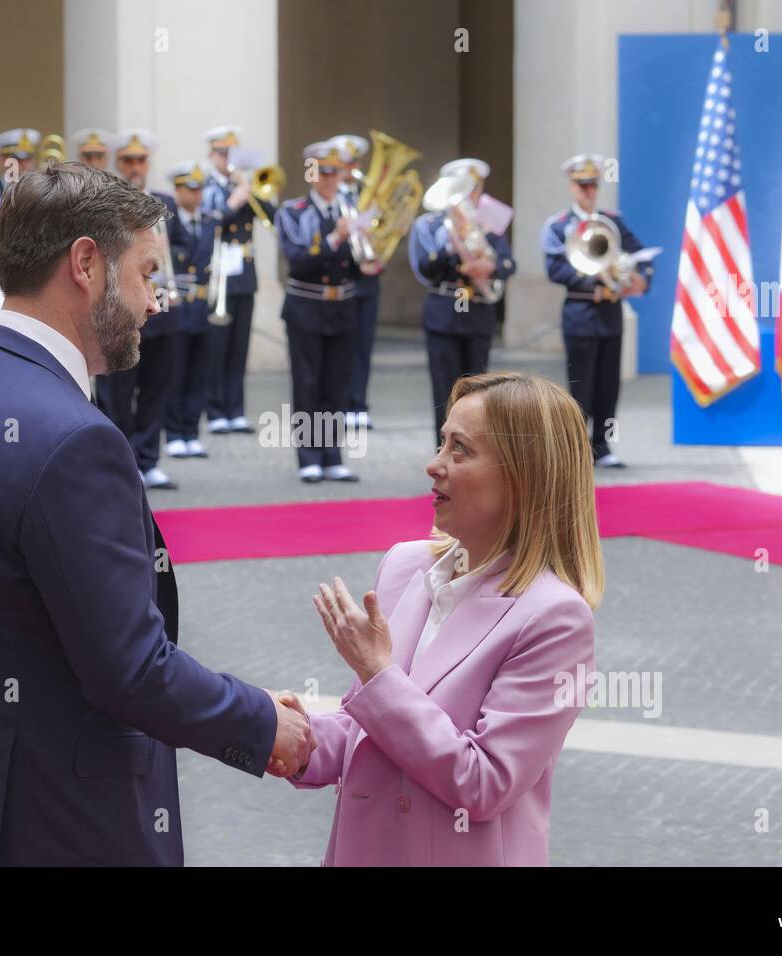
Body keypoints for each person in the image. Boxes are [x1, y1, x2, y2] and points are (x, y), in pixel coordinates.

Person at [0, 162, 314, 865]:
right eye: (148, 273)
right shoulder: (77, 440)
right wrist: (261, 723)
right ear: (87, 264)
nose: (157, 302)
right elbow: (128, 669)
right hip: (47, 829)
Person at [287, 371, 601, 866]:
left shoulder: (556, 618)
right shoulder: (404, 565)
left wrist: (377, 675)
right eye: (441, 443)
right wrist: (290, 736)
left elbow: (484, 782)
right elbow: (363, 730)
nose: (434, 465)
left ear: (523, 476)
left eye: (460, 450)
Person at [541, 153, 653, 468]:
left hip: (610, 313)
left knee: (609, 384)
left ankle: (602, 446)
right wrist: (595, 273)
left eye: (593, 185)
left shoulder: (611, 221)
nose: (589, 191)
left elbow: (641, 253)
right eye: (582, 185)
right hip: (580, 311)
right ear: (572, 187)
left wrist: (639, 279)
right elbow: (555, 270)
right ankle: (575, 449)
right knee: (580, 385)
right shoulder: (560, 225)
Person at [408, 158, 517, 447]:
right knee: (444, 389)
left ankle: (473, 449)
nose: (471, 195)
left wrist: (490, 268)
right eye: (464, 189)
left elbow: (509, 263)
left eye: (475, 188)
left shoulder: (489, 226)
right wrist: (451, 243)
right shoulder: (430, 225)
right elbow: (424, 269)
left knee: (479, 389)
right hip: (445, 310)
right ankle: (443, 449)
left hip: (478, 312)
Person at [273, 141, 361, 484]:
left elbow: (357, 264)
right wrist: (335, 240)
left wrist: (369, 255)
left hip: (342, 306)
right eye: (322, 171)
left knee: (337, 385)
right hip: (306, 306)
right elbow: (297, 259)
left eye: (334, 172)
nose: (328, 179)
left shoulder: (351, 208)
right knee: (308, 384)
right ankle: (309, 456)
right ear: (312, 174)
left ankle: (332, 456)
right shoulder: (293, 211)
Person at [98, 130, 181, 490]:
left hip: (162, 307)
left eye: (140, 160)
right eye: (128, 161)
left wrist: (169, 256)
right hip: (121, 309)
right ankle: (121, 462)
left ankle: (149, 459)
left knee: (155, 387)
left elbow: (190, 249)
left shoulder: (165, 202)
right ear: (119, 164)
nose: (135, 167)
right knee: (117, 391)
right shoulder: (106, 203)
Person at [200, 125, 273, 435]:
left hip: (243, 272)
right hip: (218, 271)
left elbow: (272, 216)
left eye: (232, 153)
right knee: (217, 345)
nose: (227, 159)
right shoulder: (206, 187)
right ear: (212, 155)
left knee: (240, 345)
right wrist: (234, 201)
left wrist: (253, 192)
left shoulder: (246, 184)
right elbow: (209, 222)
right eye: (222, 153)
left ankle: (236, 409)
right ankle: (215, 409)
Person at [162, 161, 220, 461]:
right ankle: (173, 432)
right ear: (178, 190)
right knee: (176, 372)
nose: (196, 195)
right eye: (190, 189)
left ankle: (191, 430)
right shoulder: (168, 223)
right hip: (178, 305)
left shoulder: (210, 222)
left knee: (199, 373)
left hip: (203, 307)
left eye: (200, 189)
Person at [329, 132, 379, 430]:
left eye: (353, 163)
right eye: (343, 164)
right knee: (341, 344)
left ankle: (359, 402)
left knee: (363, 343)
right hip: (341, 276)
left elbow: (387, 231)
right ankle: (340, 402)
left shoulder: (368, 197)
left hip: (369, 277)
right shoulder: (330, 198)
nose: (350, 169)